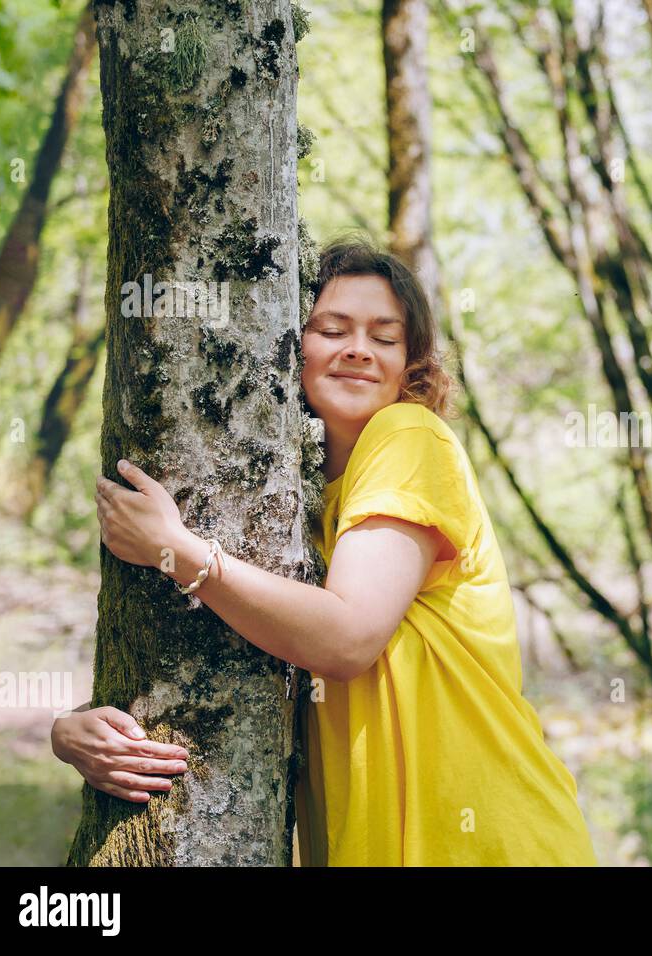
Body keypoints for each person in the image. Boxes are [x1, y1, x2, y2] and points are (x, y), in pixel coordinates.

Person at [51, 238, 599, 866]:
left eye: (385, 338)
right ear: (289, 348)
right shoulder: (303, 512)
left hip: (490, 843)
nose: (359, 349)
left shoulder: (412, 438)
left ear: (410, 366)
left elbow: (345, 639)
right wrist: (70, 733)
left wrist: (176, 551)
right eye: (332, 329)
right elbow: (253, 655)